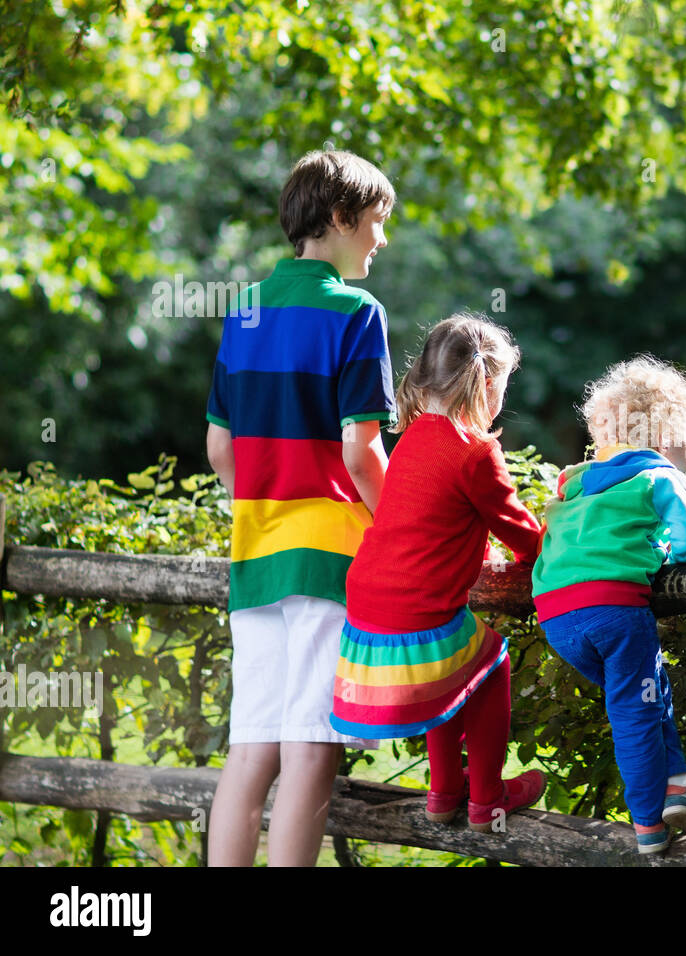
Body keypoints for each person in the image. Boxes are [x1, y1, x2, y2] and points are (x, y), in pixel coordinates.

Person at [205, 149, 396, 866]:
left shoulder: (246, 310)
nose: (381, 240)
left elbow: (220, 448)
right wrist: (397, 525)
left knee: (251, 749)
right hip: (328, 558)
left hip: (254, 557)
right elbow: (360, 452)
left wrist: (263, 508)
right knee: (311, 750)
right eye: (377, 222)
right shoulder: (357, 313)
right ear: (341, 218)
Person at [329, 313, 545, 833]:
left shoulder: (412, 441)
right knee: (491, 664)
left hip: (366, 607)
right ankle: (487, 797)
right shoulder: (476, 453)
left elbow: (435, 521)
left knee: (449, 675)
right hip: (417, 611)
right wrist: (545, 557)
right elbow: (521, 531)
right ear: (488, 385)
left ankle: (445, 792)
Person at [531, 355, 686, 854]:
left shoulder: (574, 481)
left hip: (557, 617)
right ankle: (650, 827)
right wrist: (666, 551)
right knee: (637, 713)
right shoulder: (659, 475)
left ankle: (679, 789)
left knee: (646, 697)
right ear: (668, 436)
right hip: (615, 611)